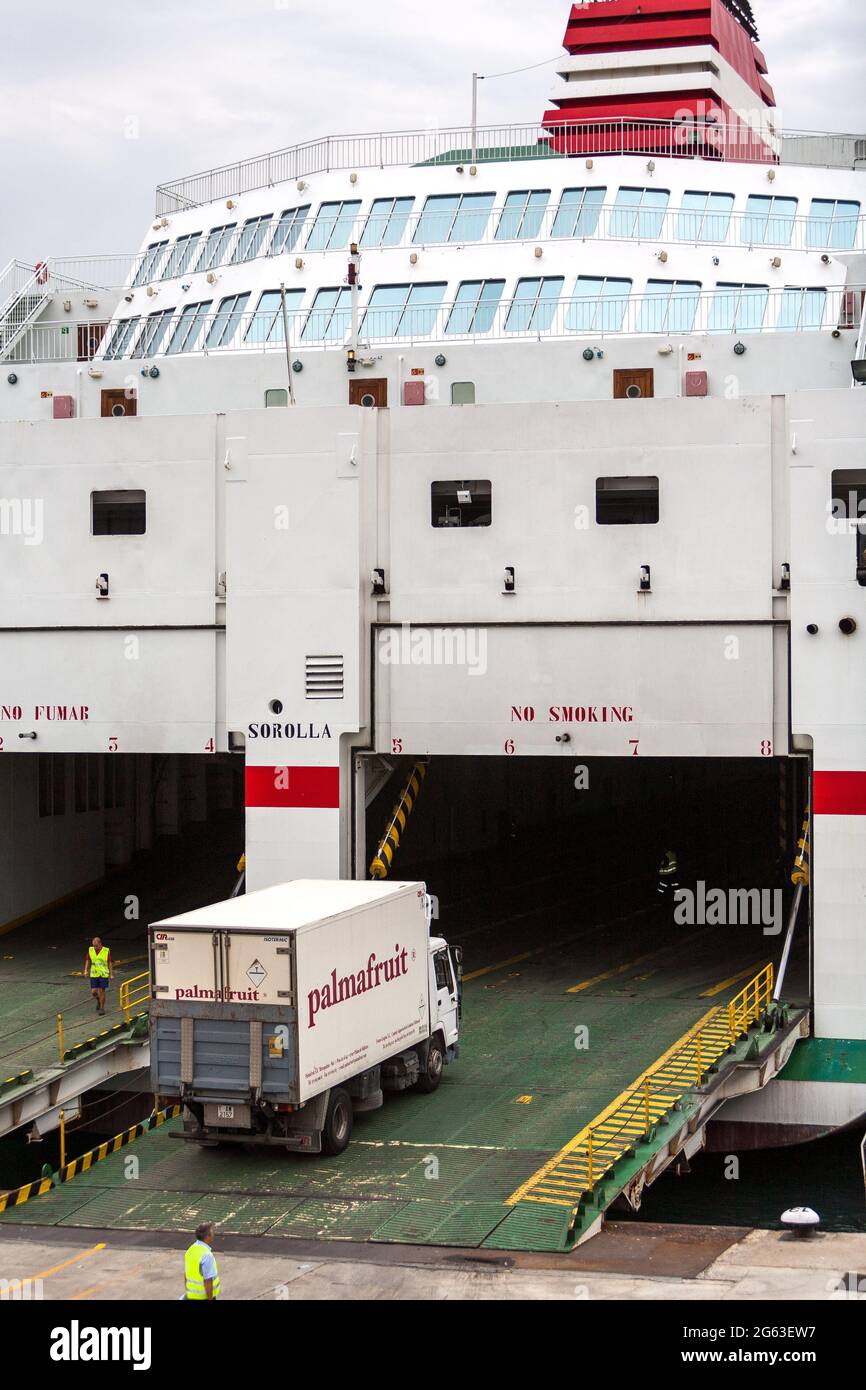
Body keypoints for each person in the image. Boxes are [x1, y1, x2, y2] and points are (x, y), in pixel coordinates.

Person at [184, 1223, 220, 1301]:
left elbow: (186, 1275)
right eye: (212, 1232)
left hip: (191, 1295)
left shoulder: (190, 1250)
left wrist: (188, 1293)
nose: (213, 1234)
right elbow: (208, 1281)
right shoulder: (207, 1255)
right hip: (204, 1297)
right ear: (208, 1236)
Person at [84, 937, 113, 1015]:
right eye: (94, 945)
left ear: (100, 944)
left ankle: (102, 1008)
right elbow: (88, 960)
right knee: (93, 992)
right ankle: (98, 1000)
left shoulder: (106, 951)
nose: (95, 947)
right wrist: (86, 970)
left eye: (96, 946)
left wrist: (111, 974)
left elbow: (109, 962)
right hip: (94, 974)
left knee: (102, 991)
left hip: (103, 974)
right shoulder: (91, 950)